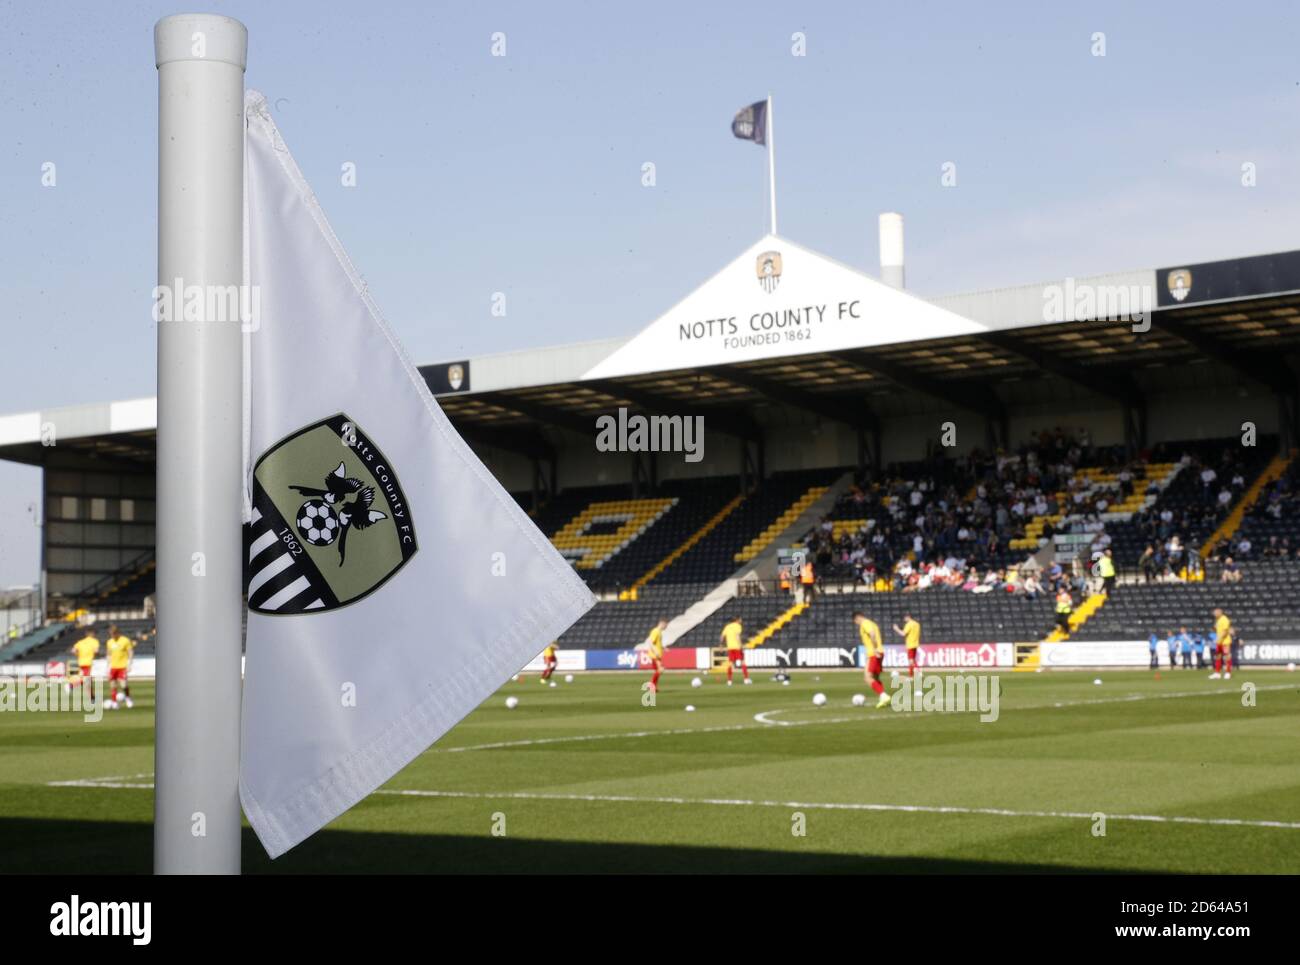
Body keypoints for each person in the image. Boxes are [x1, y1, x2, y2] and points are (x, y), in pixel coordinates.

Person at [854, 612, 891, 709]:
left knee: (867, 678)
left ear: (857, 618)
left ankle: (884, 696)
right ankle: (883, 699)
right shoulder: (873, 623)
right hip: (880, 652)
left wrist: (874, 648)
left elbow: (872, 634)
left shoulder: (864, 623)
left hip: (873, 653)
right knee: (876, 677)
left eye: (856, 621)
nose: (857, 623)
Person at [104, 624, 136, 708]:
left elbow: (130, 652)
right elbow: (108, 654)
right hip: (113, 667)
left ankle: (128, 698)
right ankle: (114, 703)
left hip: (122, 666)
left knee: (123, 685)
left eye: (113, 633)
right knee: (113, 685)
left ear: (117, 632)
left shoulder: (125, 640)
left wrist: (130, 663)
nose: (112, 635)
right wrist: (107, 666)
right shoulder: (109, 642)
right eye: (111, 634)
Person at [70, 626, 100, 701]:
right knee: (87, 681)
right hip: (89, 663)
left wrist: (79, 655)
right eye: (94, 633)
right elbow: (96, 651)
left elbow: (73, 651)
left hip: (81, 662)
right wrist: (98, 655)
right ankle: (71, 685)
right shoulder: (94, 641)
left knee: (87, 680)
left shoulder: (80, 642)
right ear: (92, 633)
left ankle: (92, 698)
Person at [720, 616, 750, 685]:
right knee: (743, 662)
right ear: (737, 620)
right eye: (740, 619)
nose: (741, 620)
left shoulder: (727, 626)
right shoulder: (738, 626)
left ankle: (729, 681)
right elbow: (737, 636)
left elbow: (722, 636)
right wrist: (741, 645)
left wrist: (721, 645)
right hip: (737, 647)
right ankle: (746, 679)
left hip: (730, 647)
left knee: (730, 664)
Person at [892, 613, 922, 678]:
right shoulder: (917, 624)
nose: (904, 619)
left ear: (908, 617)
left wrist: (896, 629)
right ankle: (913, 675)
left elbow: (903, 634)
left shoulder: (908, 624)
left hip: (910, 644)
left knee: (911, 661)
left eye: (905, 618)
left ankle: (917, 673)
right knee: (912, 660)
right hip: (915, 644)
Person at [1209, 608, 1233, 679]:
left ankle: (1228, 673)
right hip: (1219, 642)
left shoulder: (1225, 619)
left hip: (1225, 641)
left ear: (1220, 612)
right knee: (1218, 656)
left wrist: (1218, 638)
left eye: (1215, 613)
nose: (1214, 614)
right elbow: (1216, 629)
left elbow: (1225, 632)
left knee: (1227, 656)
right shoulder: (1218, 620)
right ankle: (1217, 673)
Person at [645, 619, 668, 692]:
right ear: (662, 624)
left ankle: (653, 686)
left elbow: (657, 643)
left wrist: (663, 648)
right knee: (660, 670)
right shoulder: (655, 631)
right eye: (666, 625)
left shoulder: (659, 632)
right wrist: (656, 652)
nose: (666, 627)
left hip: (657, 655)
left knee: (658, 671)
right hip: (655, 655)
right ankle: (651, 686)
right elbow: (651, 643)